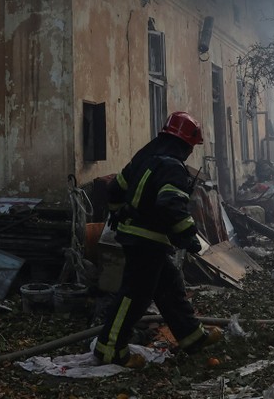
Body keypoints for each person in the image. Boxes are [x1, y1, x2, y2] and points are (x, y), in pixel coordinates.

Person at [93, 111, 223, 368]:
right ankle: (110, 349)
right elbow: (170, 205)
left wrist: (119, 213)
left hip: (137, 238)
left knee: (169, 287)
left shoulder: (143, 158)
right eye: (190, 147)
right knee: (135, 296)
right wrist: (188, 236)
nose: (189, 153)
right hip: (147, 241)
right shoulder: (172, 167)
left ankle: (191, 336)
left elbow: (114, 189)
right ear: (184, 143)